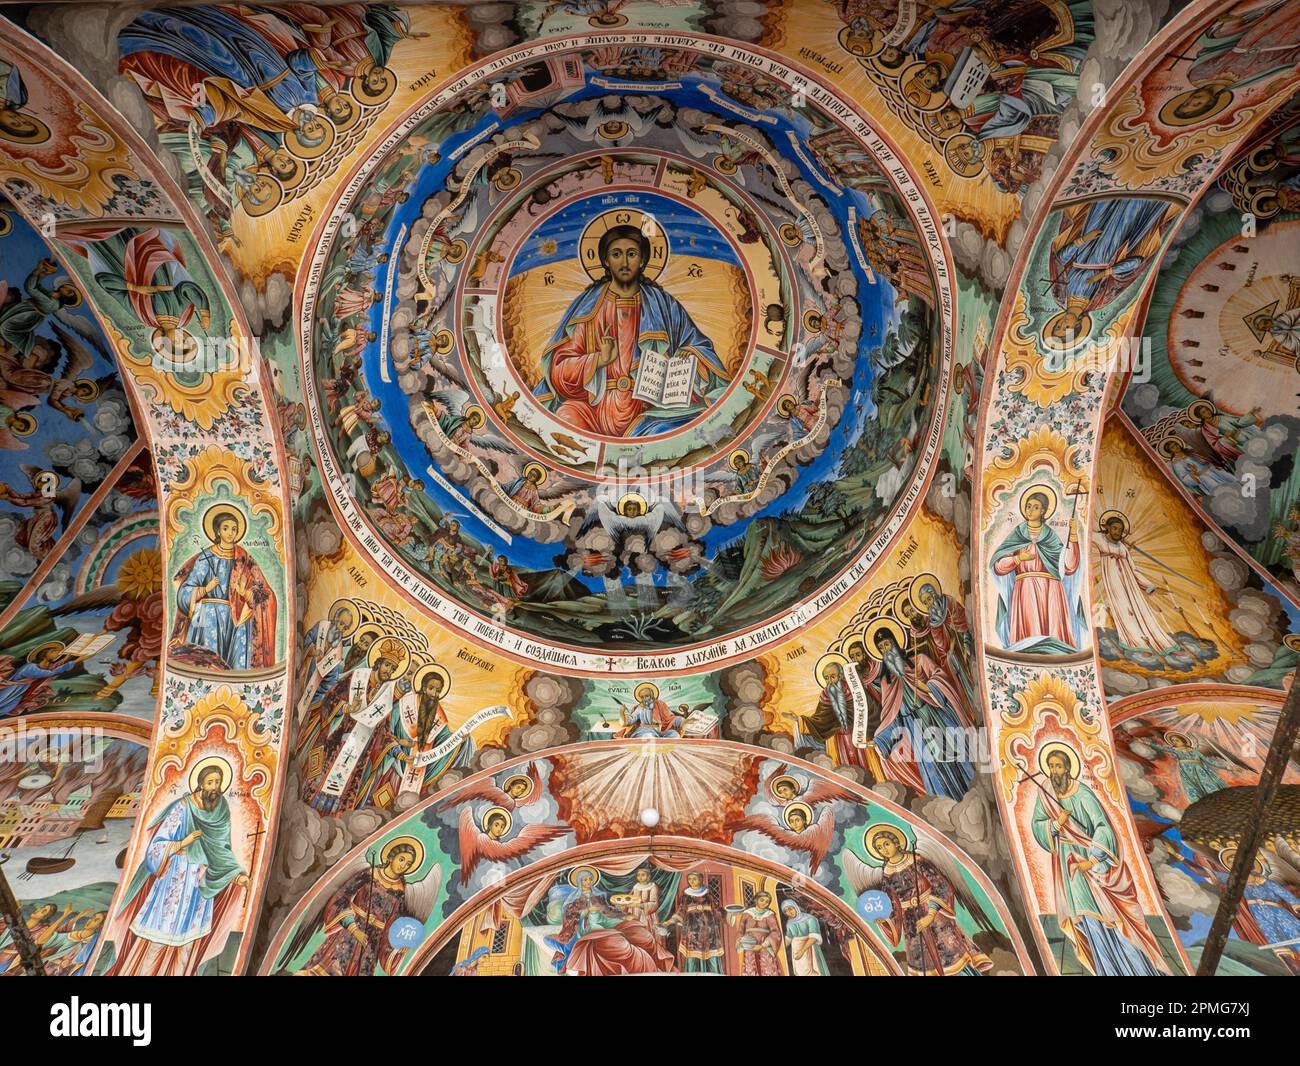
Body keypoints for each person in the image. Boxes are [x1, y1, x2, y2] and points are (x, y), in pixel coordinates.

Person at [535, 224, 731, 437]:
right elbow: (558, 371)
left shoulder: (663, 305)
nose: (625, 262)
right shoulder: (589, 308)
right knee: (564, 422)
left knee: (681, 427)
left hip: (651, 409)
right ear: (606, 261)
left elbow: (700, 348)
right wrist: (598, 359)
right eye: (616, 254)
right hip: (592, 408)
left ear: (643, 260)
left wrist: (690, 355)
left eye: (632, 254)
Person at [1030, 746, 1168, 975]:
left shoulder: (1083, 794)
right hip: (1069, 864)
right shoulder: (1046, 794)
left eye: (1058, 766)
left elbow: (1103, 827)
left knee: (1113, 919)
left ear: (1068, 769)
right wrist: (1055, 824)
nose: (1054, 771)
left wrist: (1092, 861)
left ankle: (1137, 970)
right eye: (1051, 766)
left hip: (1094, 865)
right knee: (1087, 920)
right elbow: (1037, 824)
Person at [109, 761, 249, 976]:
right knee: (164, 926)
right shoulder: (182, 807)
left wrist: (234, 874)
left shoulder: (220, 809)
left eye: (218, 782)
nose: (214, 786)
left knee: (189, 934)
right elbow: (157, 846)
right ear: (200, 783)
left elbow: (221, 847)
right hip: (176, 875)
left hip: (199, 879)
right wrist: (183, 843)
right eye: (210, 782)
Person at [869, 826, 993, 976]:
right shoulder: (886, 875)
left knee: (950, 954)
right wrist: (884, 920)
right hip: (912, 925)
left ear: (897, 843)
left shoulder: (917, 860)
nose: (884, 849)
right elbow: (892, 907)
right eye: (879, 848)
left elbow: (941, 886)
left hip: (934, 916)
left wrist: (930, 915)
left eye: (886, 844)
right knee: (924, 964)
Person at [170, 506, 277, 670]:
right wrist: (206, 588)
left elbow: (265, 594)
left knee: (235, 668)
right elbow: (185, 591)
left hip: (235, 619)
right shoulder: (206, 558)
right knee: (209, 665)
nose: (230, 533)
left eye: (234, 529)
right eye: (225, 528)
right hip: (207, 616)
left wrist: (245, 593)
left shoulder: (244, 558)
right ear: (217, 531)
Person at [990, 489, 1080, 653]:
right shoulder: (1018, 534)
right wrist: (1018, 559)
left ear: (1043, 511)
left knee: (1053, 630)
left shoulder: (1050, 536)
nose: (1030, 510)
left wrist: (1073, 536)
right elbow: (998, 566)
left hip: (1051, 588)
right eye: (1028, 506)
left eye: (1035, 507)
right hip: (1026, 588)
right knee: (1031, 633)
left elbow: (1068, 566)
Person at [1093, 513, 1174, 650]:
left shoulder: (1123, 548)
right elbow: (1084, 531)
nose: (1117, 532)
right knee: (1124, 610)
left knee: (1139, 609)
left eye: (1120, 530)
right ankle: (1135, 643)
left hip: (1130, 584)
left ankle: (1156, 642)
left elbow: (1134, 570)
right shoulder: (1100, 539)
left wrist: (1151, 587)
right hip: (1114, 583)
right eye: (1114, 528)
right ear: (1107, 527)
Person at [663, 872, 725, 973]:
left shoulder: (708, 895)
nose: (691, 881)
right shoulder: (686, 895)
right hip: (692, 933)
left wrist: (728, 915)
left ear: (700, 880)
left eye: (694, 879)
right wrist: (669, 922)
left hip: (709, 933)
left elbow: (717, 909)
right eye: (690, 879)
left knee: (712, 958)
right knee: (693, 959)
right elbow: (681, 911)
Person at [734, 891, 782, 975]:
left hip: (765, 946)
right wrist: (741, 941)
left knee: (767, 968)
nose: (764, 903)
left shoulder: (769, 915)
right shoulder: (747, 913)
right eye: (762, 900)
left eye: (767, 901)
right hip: (749, 945)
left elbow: (775, 931)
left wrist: (763, 945)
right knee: (750, 967)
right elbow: (741, 929)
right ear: (756, 900)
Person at [781, 900, 829, 976]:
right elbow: (788, 938)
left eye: (790, 908)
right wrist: (780, 950)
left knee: (814, 972)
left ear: (795, 907)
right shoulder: (789, 923)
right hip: (796, 951)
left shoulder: (810, 919)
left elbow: (814, 937)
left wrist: (802, 951)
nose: (789, 912)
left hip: (809, 949)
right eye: (785, 911)